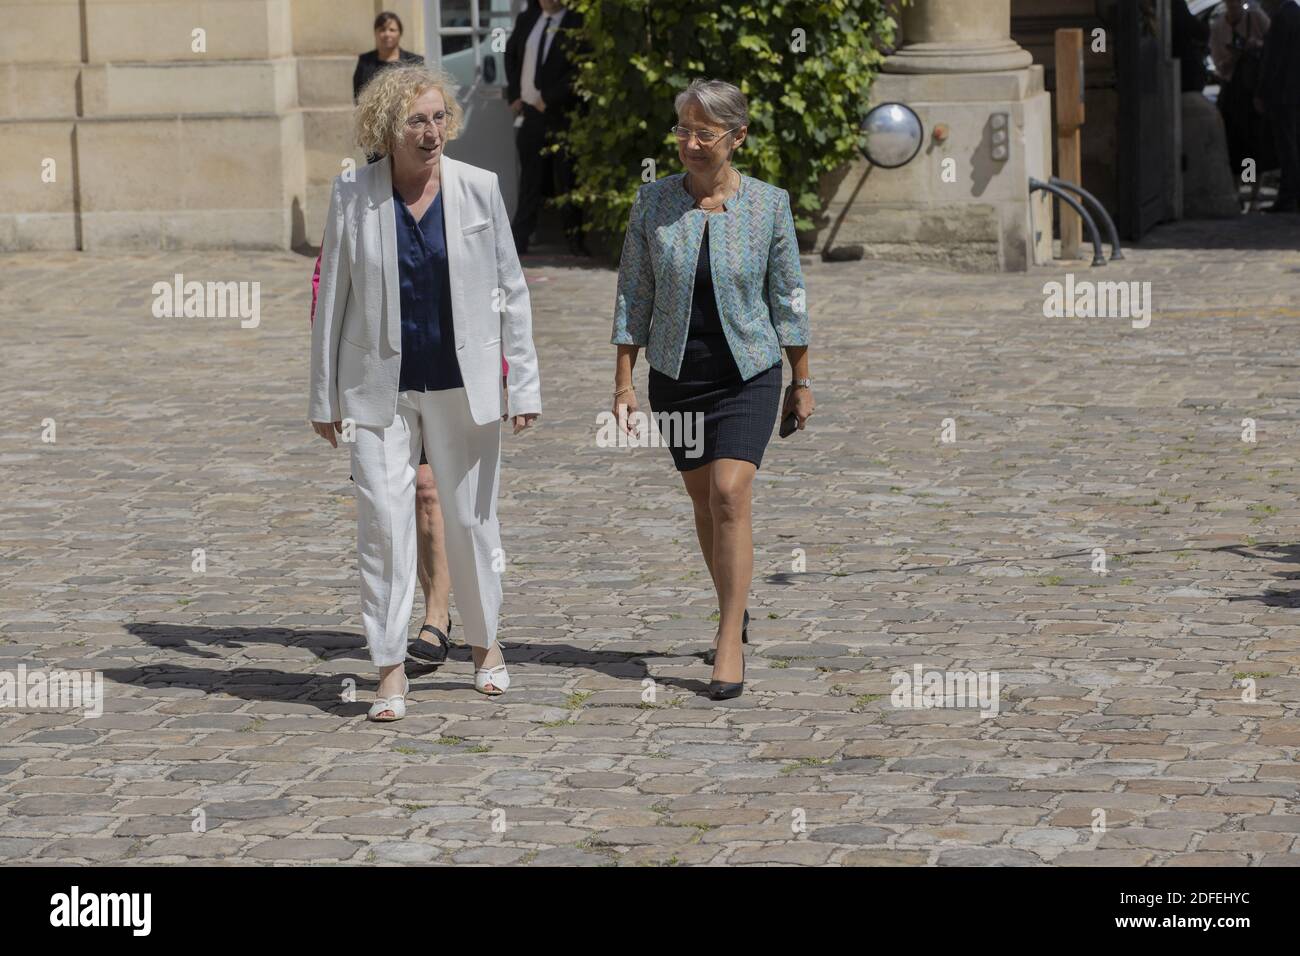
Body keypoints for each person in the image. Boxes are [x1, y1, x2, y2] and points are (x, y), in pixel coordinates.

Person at [309, 66, 542, 721]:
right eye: (417, 120)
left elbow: (510, 289)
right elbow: (332, 298)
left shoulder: (477, 188)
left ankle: (486, 646)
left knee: (470, 520)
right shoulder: (353, 194)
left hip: (462, 384)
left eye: (439, 118)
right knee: (383, 525)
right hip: (376, 389)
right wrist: (323, 397)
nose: (432, 131)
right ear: (388, 128)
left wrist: (523, 383)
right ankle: (389, 672)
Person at [610, 79, 814, 702]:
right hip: (678, 376)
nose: (691, 143)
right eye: (684, 130)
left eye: (705, 132)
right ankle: (734, 600)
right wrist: (623, 383)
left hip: (748, 371)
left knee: (730, 493)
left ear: (737, 136)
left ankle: (728, 638)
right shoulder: (653, 203)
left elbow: (788, 297)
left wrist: (802, 379)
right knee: (704, 502)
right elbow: (633, 294)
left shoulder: (768, 205)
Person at [504, 0, 587, 256]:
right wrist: (514, 95)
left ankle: (575, 240)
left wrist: (548, 98)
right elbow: (511, 55)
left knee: (567, 177)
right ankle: (519, 240)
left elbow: (580, 69)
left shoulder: (576, 22)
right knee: (530, 179)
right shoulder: (527, 19)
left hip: (562, 113)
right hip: (530, 113)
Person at [1212, 0, 1272, 206]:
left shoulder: (1255, 18)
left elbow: (1272, 45)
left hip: (1252, 92)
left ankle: (1252, 191)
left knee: (1253, 145)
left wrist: (1255, 45)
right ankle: (1239, 190)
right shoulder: (1219, 27)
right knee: (1235, 144)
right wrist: (1233, 58)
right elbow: (1219, 65)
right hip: (1233, 92)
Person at [1257, 0, 1300, 212]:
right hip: (1293, 93)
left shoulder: (1282, 18)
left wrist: (1262, 91)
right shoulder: (1295, 14)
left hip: (1284, 95)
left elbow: (1273, 60)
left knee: (1287, 147)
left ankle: (1288, 196)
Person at [353, 11, 424, 103]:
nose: (387, 34)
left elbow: (421, 93)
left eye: (392, 30)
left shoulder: (414, 61)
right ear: (375, 33)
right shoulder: (365, 61)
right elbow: (358, 96)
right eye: (382, 30)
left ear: (400, 33)